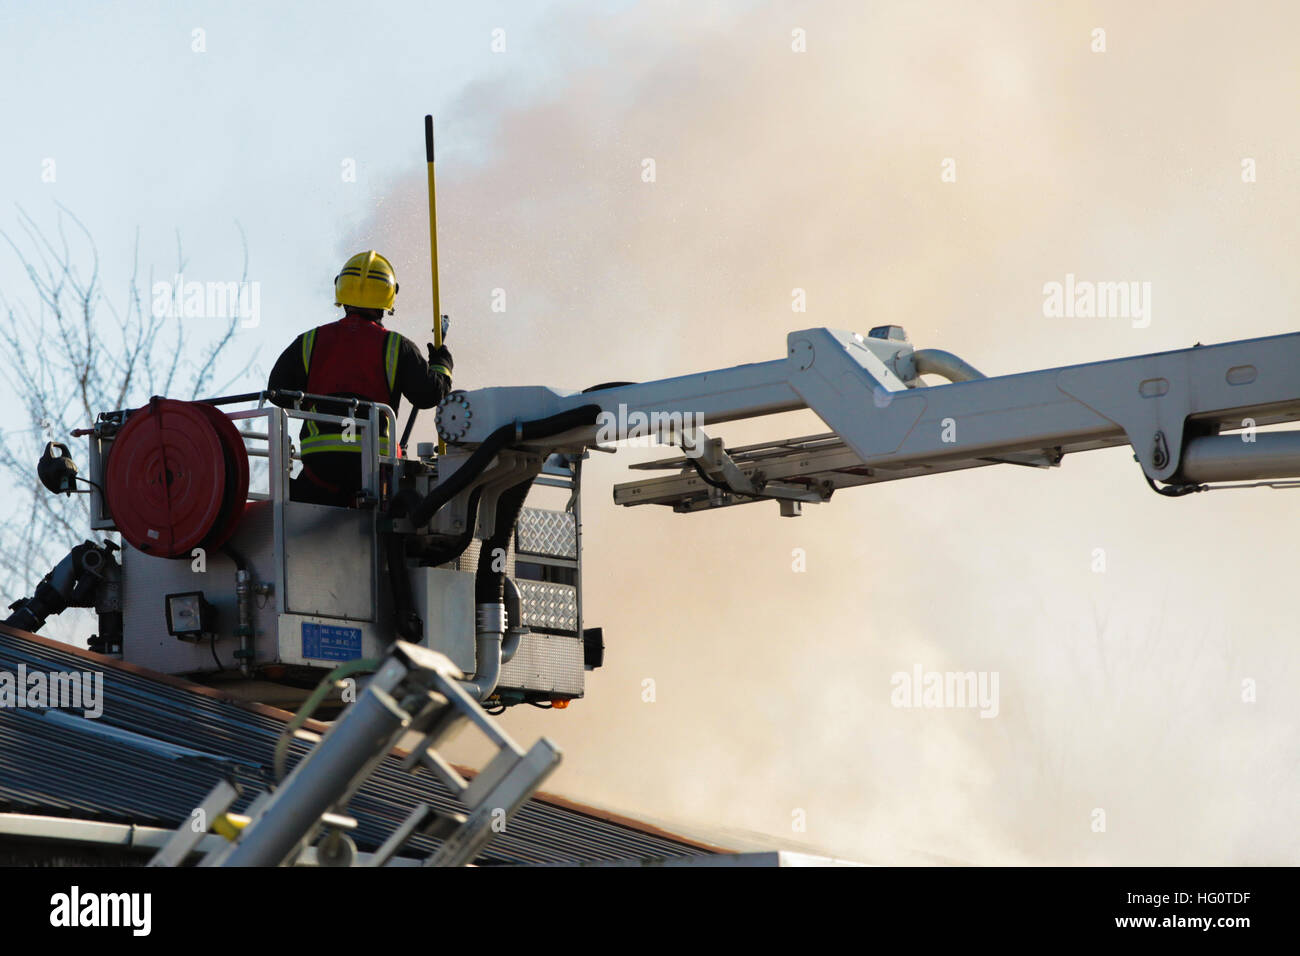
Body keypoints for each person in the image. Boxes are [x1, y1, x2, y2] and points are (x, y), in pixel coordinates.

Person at [266, 250, 453, 506]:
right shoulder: (398, 346)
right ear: (389, 297)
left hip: (320, 465)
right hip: (375, 470)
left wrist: (317, 404)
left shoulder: (310, 341)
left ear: (341, 291)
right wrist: (441, 364)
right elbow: (429, 394)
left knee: (295, 513)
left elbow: (277, 391)